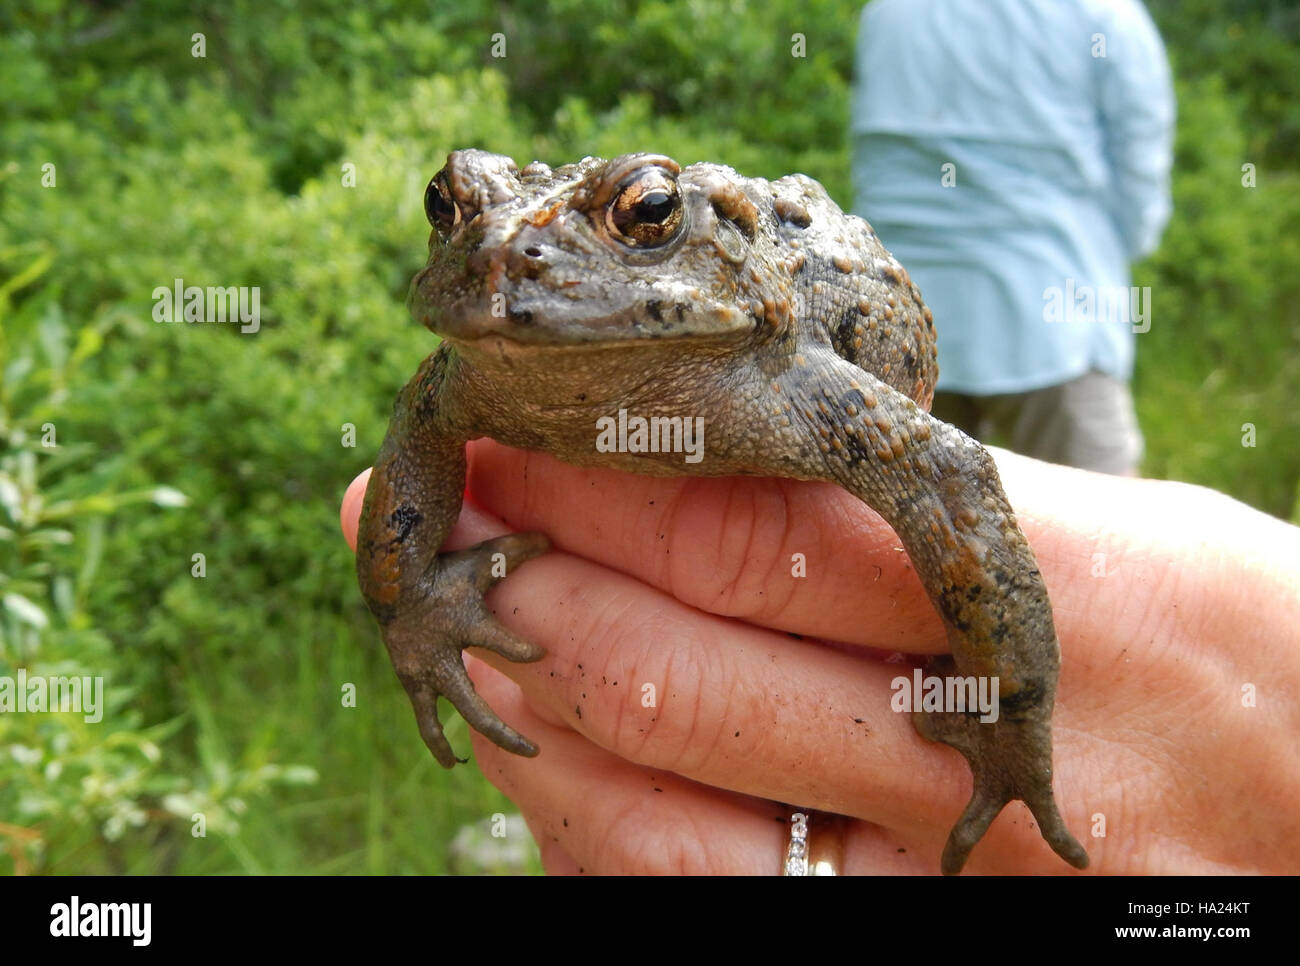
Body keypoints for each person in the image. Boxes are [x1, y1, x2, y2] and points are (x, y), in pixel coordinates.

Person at [341, 440, 1300, 874]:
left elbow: (947, 473)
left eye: (637, 219)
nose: (511, 257)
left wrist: (1010, 716)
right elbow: (419, 437)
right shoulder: (481, 343)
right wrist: (412, 609)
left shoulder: (769, 337)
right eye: (451, 211)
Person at [851, 0, 1175, 475]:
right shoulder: (1103, 15)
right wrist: (1112, 254)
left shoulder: (888, 11)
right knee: (1101, 535)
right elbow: (1141, 178)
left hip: (895, 325)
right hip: (1057, 317)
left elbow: (874, 160)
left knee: (886, 537)